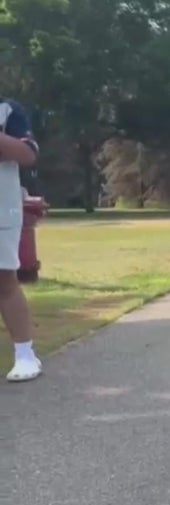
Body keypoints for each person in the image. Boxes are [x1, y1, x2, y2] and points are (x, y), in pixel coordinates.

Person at [0, 97, 42, 383]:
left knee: (4, 280)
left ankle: (25, 355)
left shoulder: (8, 110)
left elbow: (28, 154)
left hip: (3, 209)